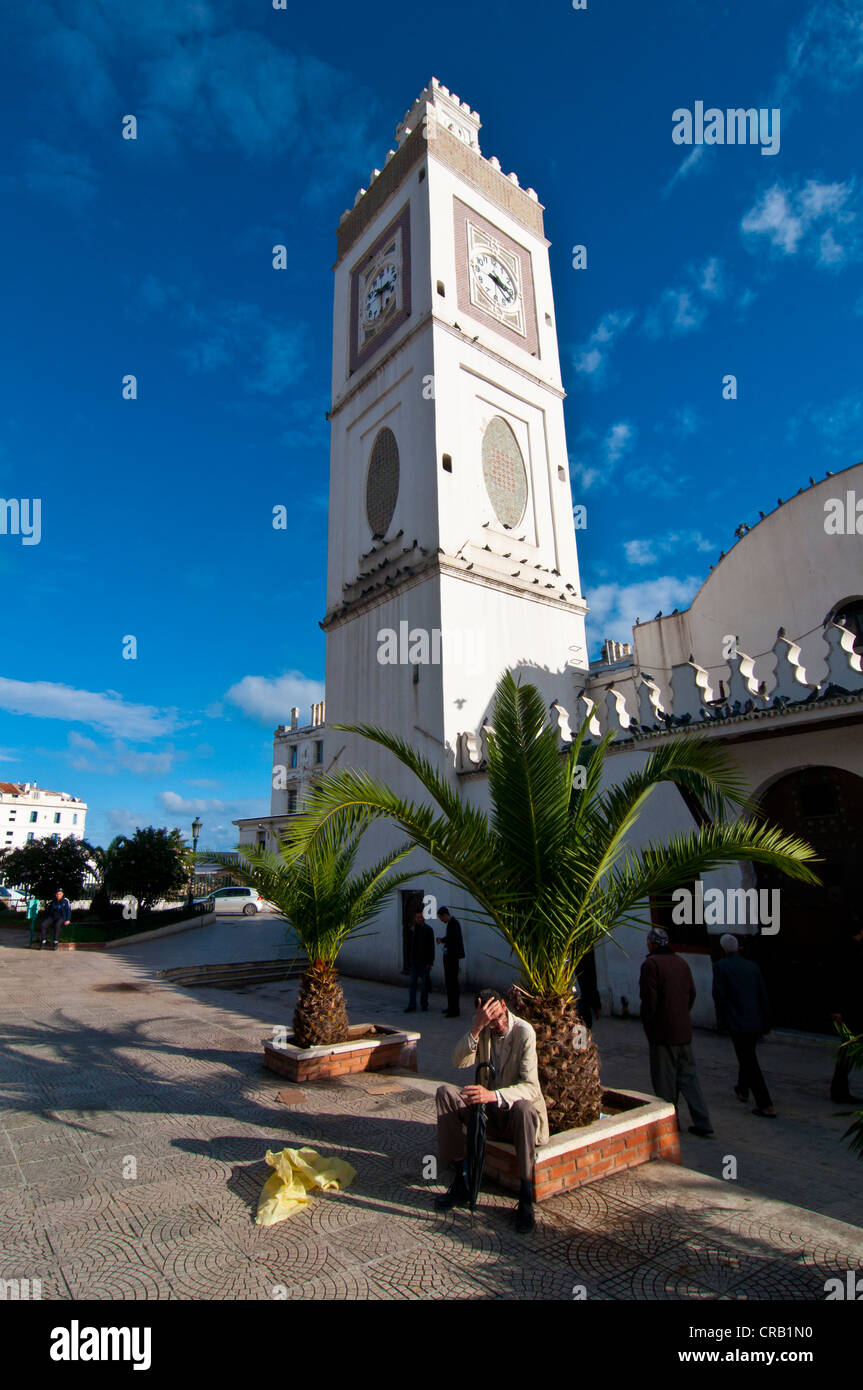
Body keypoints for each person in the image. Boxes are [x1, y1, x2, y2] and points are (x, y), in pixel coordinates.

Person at [435, 988, 548, 1235]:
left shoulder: (524, 1032)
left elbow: (530, 1087)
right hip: (488, 1114)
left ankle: (526, 1196)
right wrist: (476, 1029)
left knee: (525, 1109)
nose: (497, 1024)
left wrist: (493, 1096)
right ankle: (462, 1177)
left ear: (505, 1007)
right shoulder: (483, 1030)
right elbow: (458, 1061)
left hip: (513, 1115)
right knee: (445, 1094)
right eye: (490, 1019)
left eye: (498, 1017)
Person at [639, 926, 713, 1137]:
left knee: (665, 1081)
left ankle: (670, 1121)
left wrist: (649, 1024)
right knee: (689, 1078)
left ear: (652, 943)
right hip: (683, 1031)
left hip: (662, 1033)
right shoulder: (680, 962)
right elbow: (692, 993)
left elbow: (649, 1001)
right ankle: (703, 1120)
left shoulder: (651, 965)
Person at [712, 933, 776, 1117]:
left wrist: (722, 1022)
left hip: (737, 1021)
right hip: (754, 1020)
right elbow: (762, 994)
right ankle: (742, 1088)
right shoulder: (752, 966)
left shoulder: (721, 967)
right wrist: (766, 1020)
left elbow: (719, 996)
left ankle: (765, 1103)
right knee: (747, 1054)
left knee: (748, 1060)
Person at [829, 919, 863, 1104]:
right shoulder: (852, 951)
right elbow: (844, 981)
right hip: (850, 1010)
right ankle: (840, 1091)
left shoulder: (846, 949)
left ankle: (840, 1089)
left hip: (848, 1009)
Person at [403, 907, 434, 1012]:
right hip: (414, 961)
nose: (419, 919)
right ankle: (412, 1005)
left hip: (424, 962)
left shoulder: (428, 930)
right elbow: (408, 945)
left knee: (424, 985)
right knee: (412, 984)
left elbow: (431, 947)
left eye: (421, 917)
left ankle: (424, 1004)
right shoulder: (412, 929)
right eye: (417, 917)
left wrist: (430, 962)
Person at [436, 906, 465, 1017]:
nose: (441, 920)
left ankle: (454, 1009)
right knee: (449, 983)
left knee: (452, 984)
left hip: (453, 958)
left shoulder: (454, 924)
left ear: (445, 915)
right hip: (449, 958)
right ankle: (451, 1007)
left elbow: (452, 938)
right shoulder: (451, 924)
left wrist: (442, 940)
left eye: (440, 918)